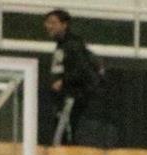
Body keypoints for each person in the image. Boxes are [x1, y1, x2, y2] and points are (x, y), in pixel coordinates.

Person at [42, 9, 102, 147]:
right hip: (66, 98)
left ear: (64, 25)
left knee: (68, 131)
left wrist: (63, 81)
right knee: (62, 129)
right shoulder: (62, 45)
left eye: (53, 22)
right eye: (47, 23)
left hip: (73, 97)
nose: (48, 26)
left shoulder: (73, 45)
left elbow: (82, 70)